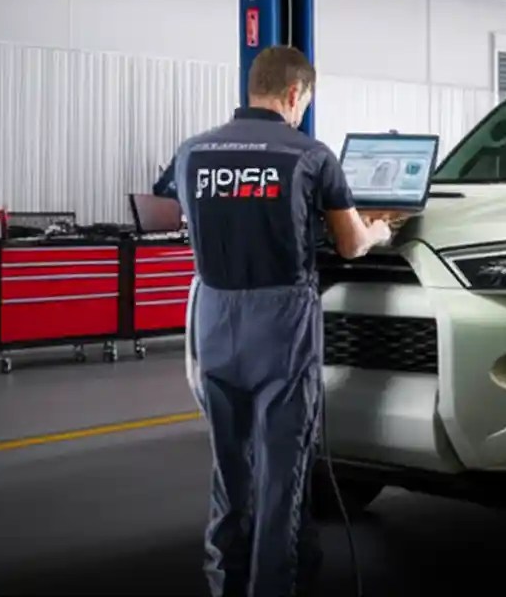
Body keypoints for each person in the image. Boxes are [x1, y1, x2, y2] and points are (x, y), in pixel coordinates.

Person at [166, 45, 396, 597]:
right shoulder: (311, 155)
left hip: (215, 322)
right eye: (305, 101)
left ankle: (226, 580)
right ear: (295, 94)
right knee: (282, 477)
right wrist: (380, 231)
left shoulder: (191, 152)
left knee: (231, 471)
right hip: (281, 328)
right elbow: (349, 243)